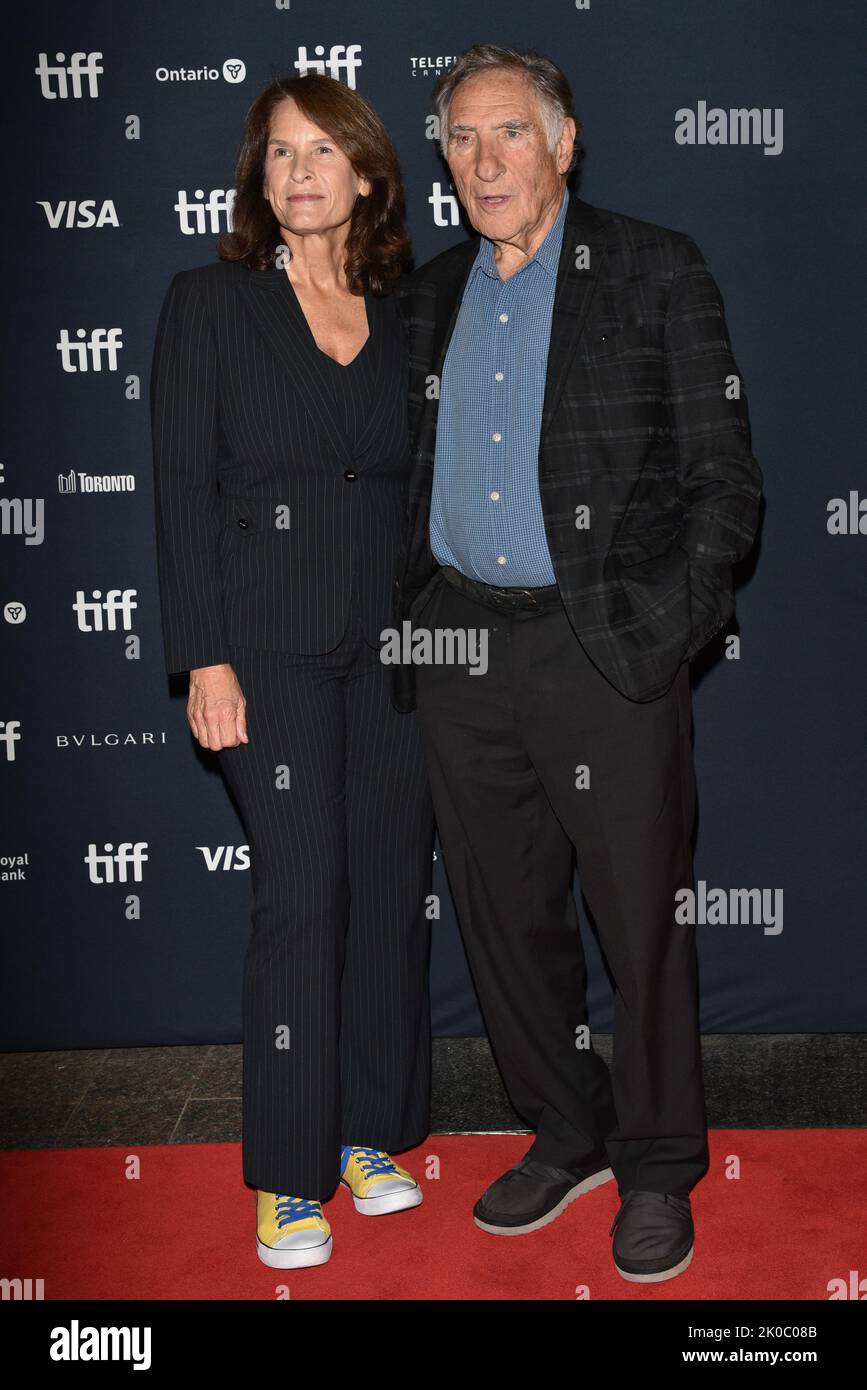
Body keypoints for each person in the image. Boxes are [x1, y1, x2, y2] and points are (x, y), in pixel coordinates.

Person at [393, 44, 763, 1283]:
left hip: (603, 650)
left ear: (563, 142)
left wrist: (663, 635)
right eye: (458, 138)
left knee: (640, 924)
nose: (481, 160)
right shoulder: (431, 295)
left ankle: (659, 1166)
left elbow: (725, 484)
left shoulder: (657, 270)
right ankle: (570, 1126)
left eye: (507, 133)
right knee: (506, 922)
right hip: (462, 641)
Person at [150, 73, 434, 1269]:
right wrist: (204, 658)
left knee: (382, 897)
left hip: (394, 652)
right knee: (304, 896)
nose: (299, 172)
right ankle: (285, 1172)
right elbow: (180, 491)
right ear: (258, 180)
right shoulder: (208, 303)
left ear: (367, 174)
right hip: (264, 648)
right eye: (278, 154)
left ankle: (370, 1132)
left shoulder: (410, 309)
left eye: (323, 152)